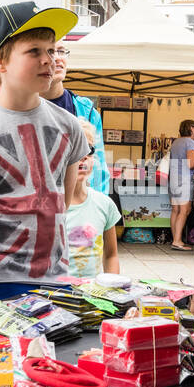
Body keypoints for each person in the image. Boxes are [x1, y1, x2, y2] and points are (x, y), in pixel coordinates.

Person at [0, 1, 86, 318]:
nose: (48, 60)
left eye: (53, 50)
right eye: (34, 51)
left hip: (54, 280)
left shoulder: (69, 125)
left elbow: (62, 203)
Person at [41, 35, 110, 192]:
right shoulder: (22, 107)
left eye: (61, 51)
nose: (58, 58)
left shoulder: (87, 112)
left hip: (81, 209)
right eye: (51, 52)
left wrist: (97, 210)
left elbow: (99, 173)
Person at [65, 119, 121, 277]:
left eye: (88, 150)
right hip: (55, 295)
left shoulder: (104, 204)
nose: (82, 156)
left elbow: (111, 255)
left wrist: (112, 287)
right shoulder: (49, 206)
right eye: (74, 149)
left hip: (92, 297)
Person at [168, 118, 194, 250]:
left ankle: (175, 239)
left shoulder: (176, 142)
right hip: (184, 179)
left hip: (173, 179)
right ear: (191, 128)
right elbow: (191, 163)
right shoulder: (190, 142)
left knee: (175, 210)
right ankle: (177, 240)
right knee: (184, 210)